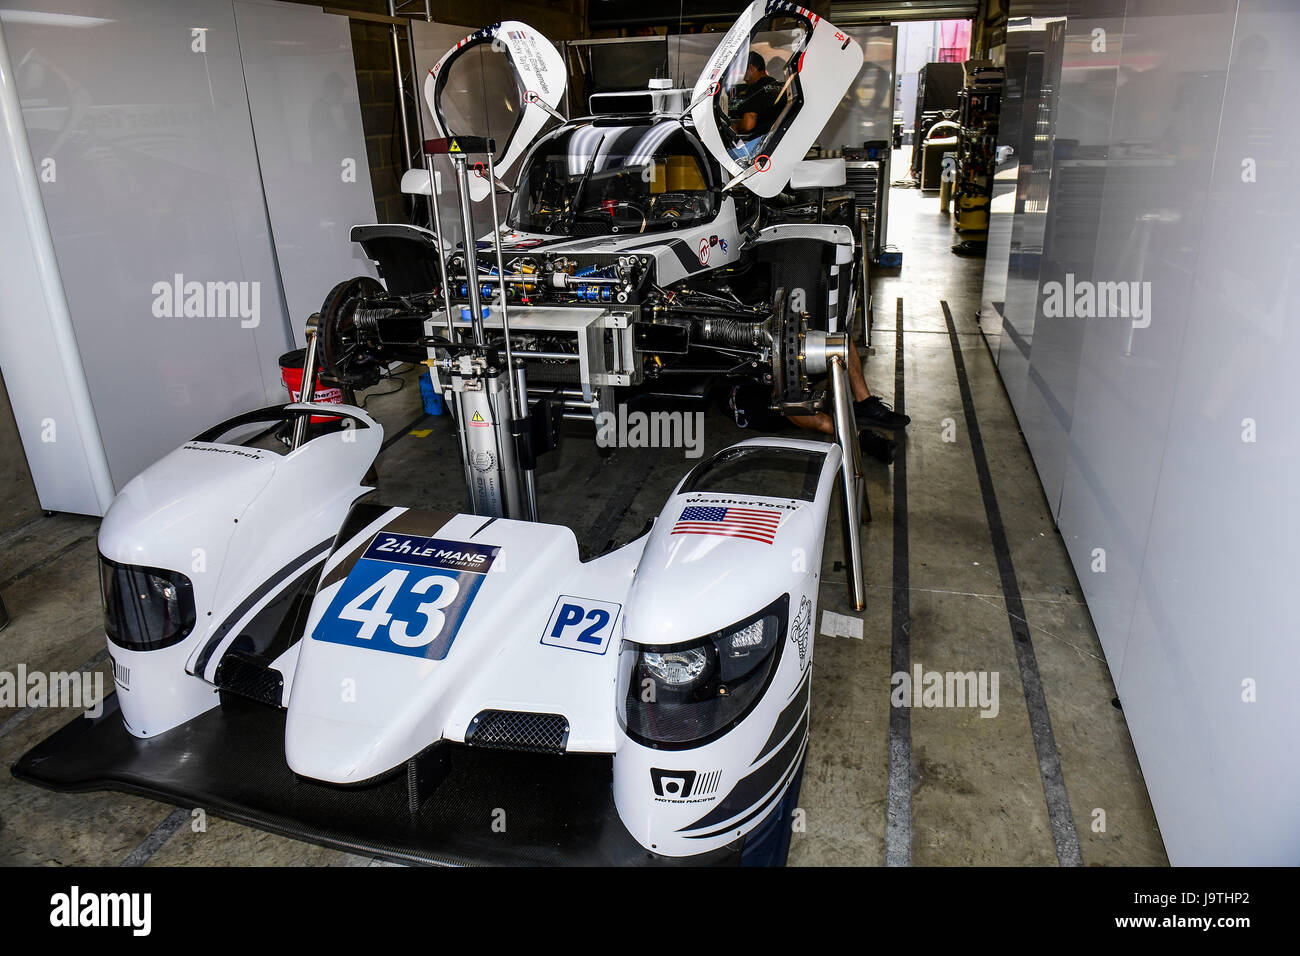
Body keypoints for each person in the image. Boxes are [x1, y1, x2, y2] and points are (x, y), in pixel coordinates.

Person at [786, 339, 909, 464]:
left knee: (841, 341)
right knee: (788, 400)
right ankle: (860, 439)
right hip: (775, 389)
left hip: (794, 357)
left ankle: (865, 402)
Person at [728, 52, 784, 161]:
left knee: (727, 156)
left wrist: (734, 128)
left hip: (762, 144)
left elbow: (748, 124)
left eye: (744, 72)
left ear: (752, 68)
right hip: (777, 142)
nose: (743, 78)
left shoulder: (756, 89)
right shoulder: (777, 85)